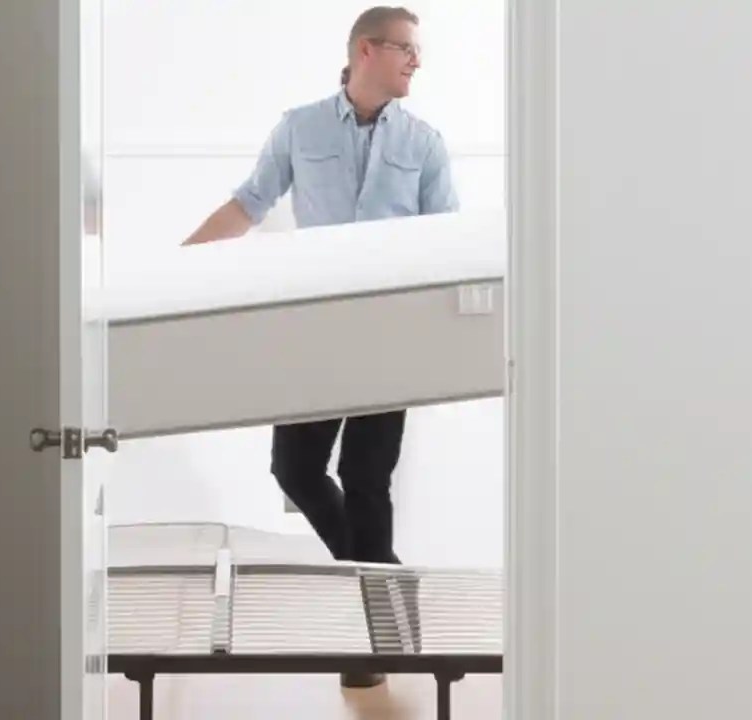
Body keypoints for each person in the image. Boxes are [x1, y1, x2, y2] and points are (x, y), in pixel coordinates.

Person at [182, 6, 457, 688]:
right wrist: (180, 266)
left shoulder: (425, 143)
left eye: (418, 52)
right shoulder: (299, 127)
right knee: (295, 468)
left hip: (389, 335)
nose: (416, 62)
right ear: (367, 51)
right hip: (316, 332)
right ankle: (383, 586)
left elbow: (446, 240)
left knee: (368, 481)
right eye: (406, 50)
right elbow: (249, 203)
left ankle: (370, 646)